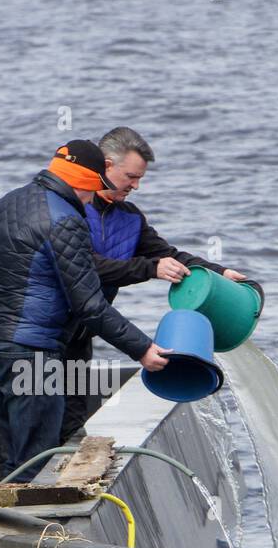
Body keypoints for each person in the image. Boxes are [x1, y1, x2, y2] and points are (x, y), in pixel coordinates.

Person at [0, 140, 169, 480]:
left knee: (12, 453)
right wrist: (143, 349)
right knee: (37, 462)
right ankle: (33, 532)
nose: (91, 200)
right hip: (33, 358)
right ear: (86, 182)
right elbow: (89, 304)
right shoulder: (66, 220)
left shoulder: (8, 203)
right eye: (94, 190)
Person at [59, 127, 250, 443]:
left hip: (85, 330)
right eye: (131, 177)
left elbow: (169, 256)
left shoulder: (130, 218)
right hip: (46, 331)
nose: (136, 186)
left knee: (73, 421)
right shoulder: (69, 209)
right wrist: (150, 269)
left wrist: (219, 273)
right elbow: (86, 266)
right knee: (36, 417)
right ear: (106, 166)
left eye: (140, 179)